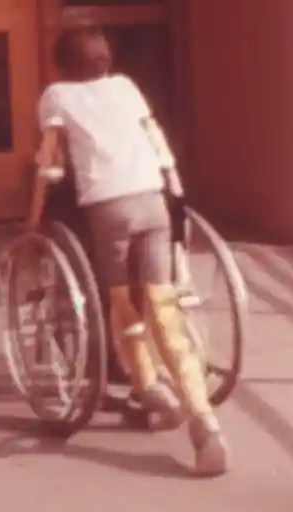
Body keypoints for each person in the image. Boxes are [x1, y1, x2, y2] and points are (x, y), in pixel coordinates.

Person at [27, 24, 229, 477]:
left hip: (109, 208)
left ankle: (150, 386)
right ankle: (204, 419)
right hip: (153, 200)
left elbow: (50, 164)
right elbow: (155, 139)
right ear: (105, 59)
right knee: (162, 304)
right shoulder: (126, 87)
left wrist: (32, 220)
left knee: (124, 304)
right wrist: (176, 189)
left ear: (62, 63)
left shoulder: (56, 97)